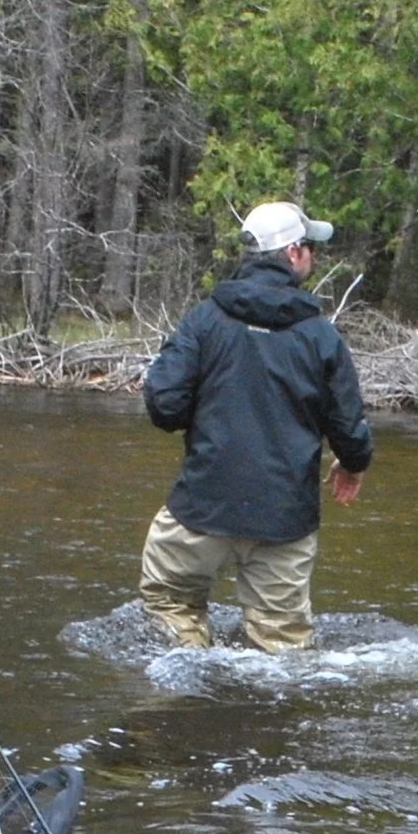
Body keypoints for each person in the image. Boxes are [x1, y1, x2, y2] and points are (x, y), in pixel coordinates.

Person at [138, 201, 373, 651]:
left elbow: (164, 404)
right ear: (291, 254)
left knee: (171, 604)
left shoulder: (205, 320)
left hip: (201, 506)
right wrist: (353, 463)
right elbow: (348, 425)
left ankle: (185, 702)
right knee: (281, 648)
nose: (313, 257)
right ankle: (265, 716)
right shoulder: (321, 336)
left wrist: (209, 420)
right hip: (284, 518)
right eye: (309, 248)